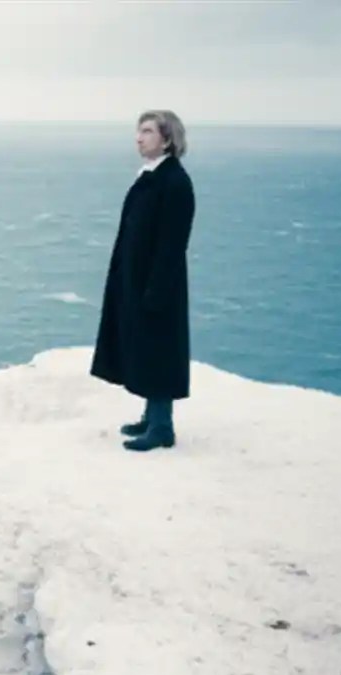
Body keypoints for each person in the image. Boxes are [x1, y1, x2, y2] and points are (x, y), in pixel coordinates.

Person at [90, 110, 195, 452]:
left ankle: (163, 427)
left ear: (167, 139)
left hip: (157, 284)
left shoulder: (175, 182)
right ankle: (152, 417)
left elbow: (172, 244)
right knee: (147, 348)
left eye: (147, 131)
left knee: (159, 350)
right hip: (138, 282)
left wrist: (156, 290)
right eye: (138, 131)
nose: (138, 137)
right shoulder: (152, 177)